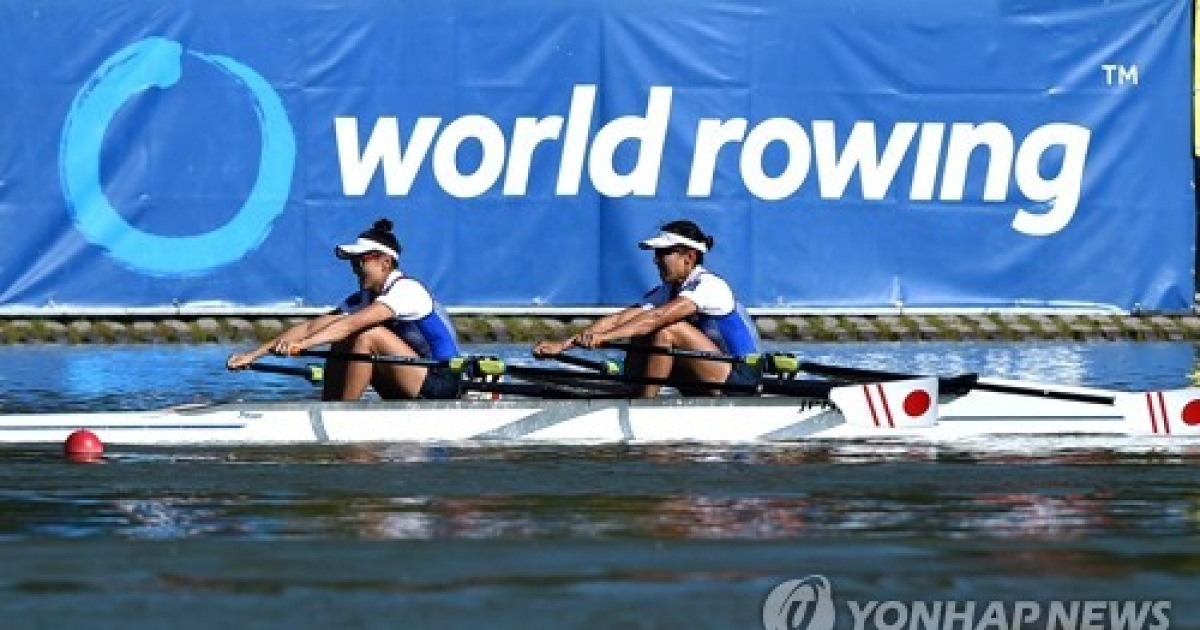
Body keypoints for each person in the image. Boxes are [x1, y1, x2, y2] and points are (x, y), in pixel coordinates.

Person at [226, 218, 462, 400]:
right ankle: (330, 408)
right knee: (340, 336)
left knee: (366, 334)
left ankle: (342, 415)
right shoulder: (363, 298)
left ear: (385, 263)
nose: (354, 269)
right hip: (409, 378)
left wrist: (302, 347)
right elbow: (311, 327)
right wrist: (253, 355)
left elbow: (352, 325)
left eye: (360, 262)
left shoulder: (407, 290)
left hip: (442, 380)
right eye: (352, 263)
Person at [533, 219, 761, 397]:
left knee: (665, 330)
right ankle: (632, 392)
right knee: (640, 331)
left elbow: (657, 318)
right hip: (710, 374)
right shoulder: (667, 290)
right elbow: (619, 319)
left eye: (663, 253)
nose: (655, 260)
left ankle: (643, 406)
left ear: (689, 257)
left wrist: (604, 338)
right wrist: (564, 345)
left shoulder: (709, 285)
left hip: (742, 378)